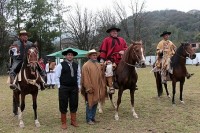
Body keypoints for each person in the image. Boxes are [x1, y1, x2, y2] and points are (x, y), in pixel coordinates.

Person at [55, 49, 81, 129]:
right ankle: (64, 122)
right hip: (64, 87)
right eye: (68, 55)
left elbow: (79, 76)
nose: (70, 56)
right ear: (65, 56)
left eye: (71, 55)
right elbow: (57, 76)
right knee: (63, 104)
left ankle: (73, 121)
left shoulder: (76, 65)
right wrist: (59, 86)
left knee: (74, 103)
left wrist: (78, 86)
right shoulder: (61, 65)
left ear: (73, 56)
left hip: (74, 87)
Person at [99, 25, 128, 94]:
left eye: (115, 31)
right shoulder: (106, 40)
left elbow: (126, 48)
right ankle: (111, 86)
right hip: (110, 60)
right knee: (109, 69)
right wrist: (102, 60)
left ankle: (132, 83)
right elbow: (103, 50)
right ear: (110, 33)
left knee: (132, 67)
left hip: (121, 59)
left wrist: (124, 51)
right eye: (113, 31)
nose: (114, 32)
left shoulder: (122, 39)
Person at [81, 49, 106, 125]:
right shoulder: (86, 65)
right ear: (89, 56)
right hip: (90, 88)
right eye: (93, 55)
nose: (95, 56)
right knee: (90, 103)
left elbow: (101, 73)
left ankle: (92, 118)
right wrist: (88, 87)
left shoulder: (97, 64)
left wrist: (104, 65)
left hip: (97, 87)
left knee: (95, 102)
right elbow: (85, 78)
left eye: (95, 55)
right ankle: (88, 119)